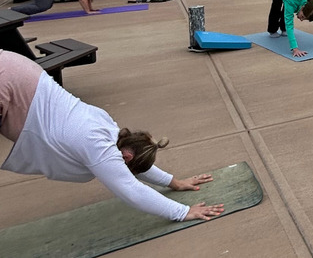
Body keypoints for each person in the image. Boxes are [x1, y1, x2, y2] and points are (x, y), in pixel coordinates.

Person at [0, 50, 224, 221]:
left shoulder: (109, 127)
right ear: (126, 156)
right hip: (10, 80)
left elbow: (132, 170)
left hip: (17, 68)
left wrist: (173, 182)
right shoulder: (98, 146)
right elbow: (131, 189)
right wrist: (183, 212)